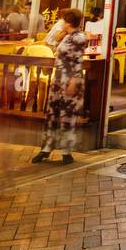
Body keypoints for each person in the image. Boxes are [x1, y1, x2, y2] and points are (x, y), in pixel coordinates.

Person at [32, 9, 88, 164]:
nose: (61, 23)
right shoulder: (67, 36)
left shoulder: (79, 38)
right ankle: (46, 148)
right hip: (58, 79)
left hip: (69, 80)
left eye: (63, 20)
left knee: (67, 114)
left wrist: (74, 81)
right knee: (53, 113)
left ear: (69, 22)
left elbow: (77, 62)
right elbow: (55, 46)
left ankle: (66, 151)